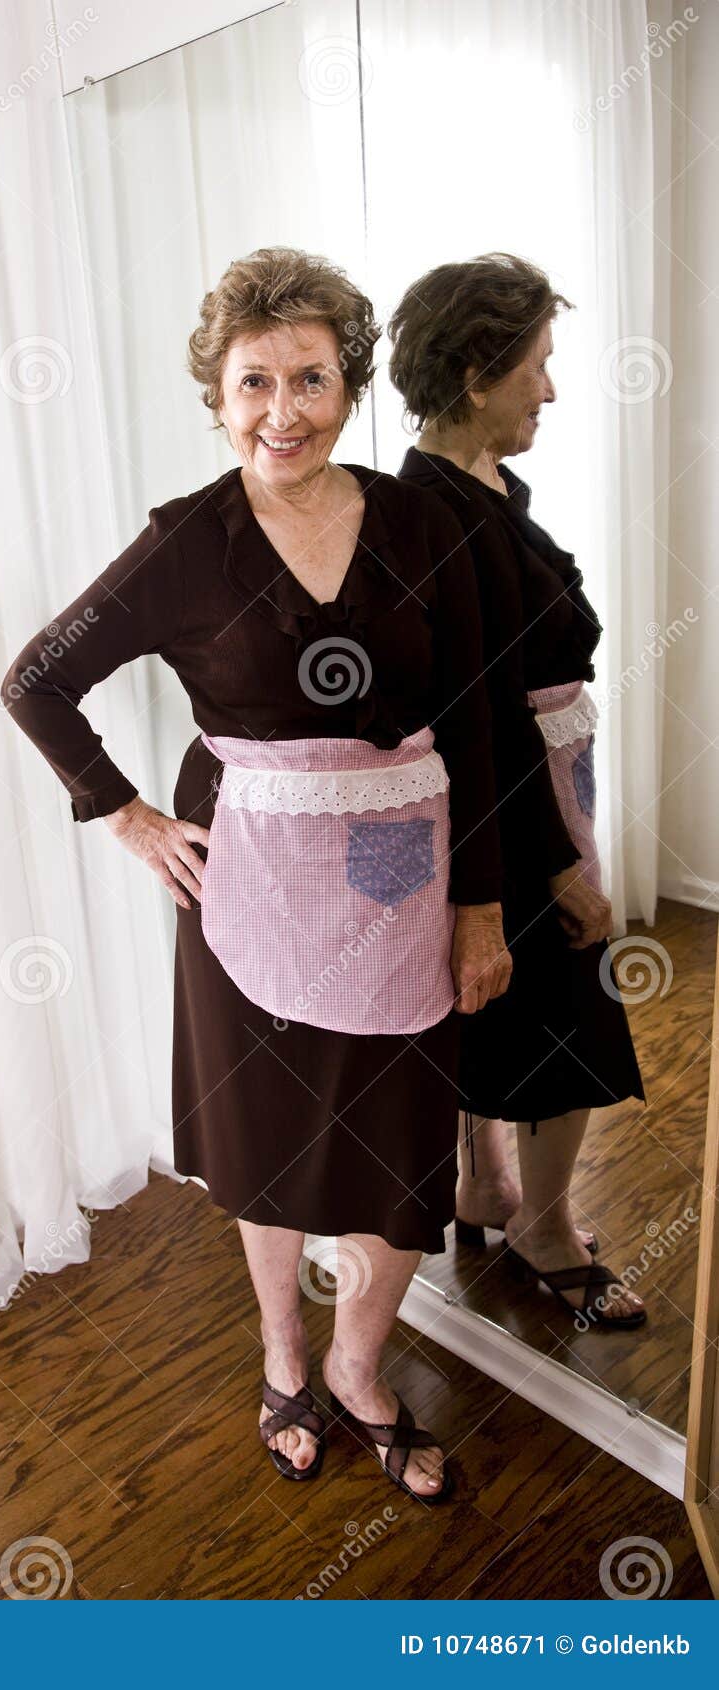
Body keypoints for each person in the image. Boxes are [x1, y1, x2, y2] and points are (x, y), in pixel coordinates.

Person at [2, 247, 511, 1502]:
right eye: (253, 383)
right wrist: (120, 813)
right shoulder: (185, 543)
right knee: (269, 1130)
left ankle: (356, 1363)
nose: (282, 410)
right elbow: (35, 679)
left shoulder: (415, 517)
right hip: (249, 873)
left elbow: (479, 714)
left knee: (397, 1144)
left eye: (310, 379)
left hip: (401, 854)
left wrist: (480, 902)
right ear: (215, 396)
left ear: (348, 389)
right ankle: (283, 1348)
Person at [392, 251, 646, 1332]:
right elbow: (479, 723)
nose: (548, 389)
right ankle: (542, 1228)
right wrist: (557, 869)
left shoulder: (484, 488)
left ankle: (483, 1188)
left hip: (531, 799)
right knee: (565, 1023)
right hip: (512, 816)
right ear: (473, 374)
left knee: (490, 1015)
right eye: (535, 367)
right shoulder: (437, 515)